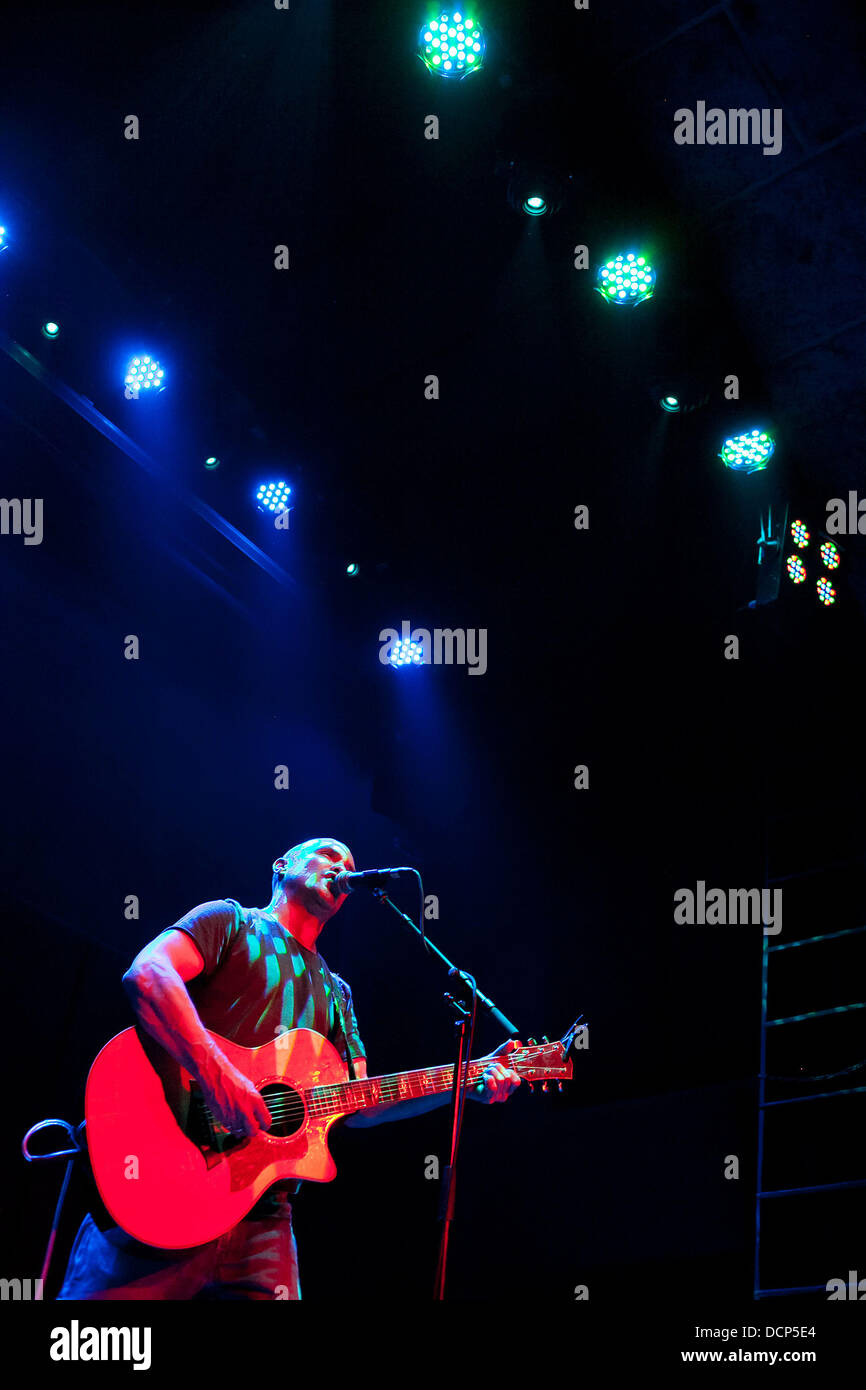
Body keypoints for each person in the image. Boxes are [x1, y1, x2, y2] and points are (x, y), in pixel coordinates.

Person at [57, 837, 522, 1299]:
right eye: (329, 854)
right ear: (282, 865)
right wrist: (218, 1076)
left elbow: (361, 1103)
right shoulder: (231, 921)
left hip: (264, 1222)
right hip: (162, 1185)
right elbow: (148, 974)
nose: (341, 866)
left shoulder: (337, 994)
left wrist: (466, 1081)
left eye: (349, 863)